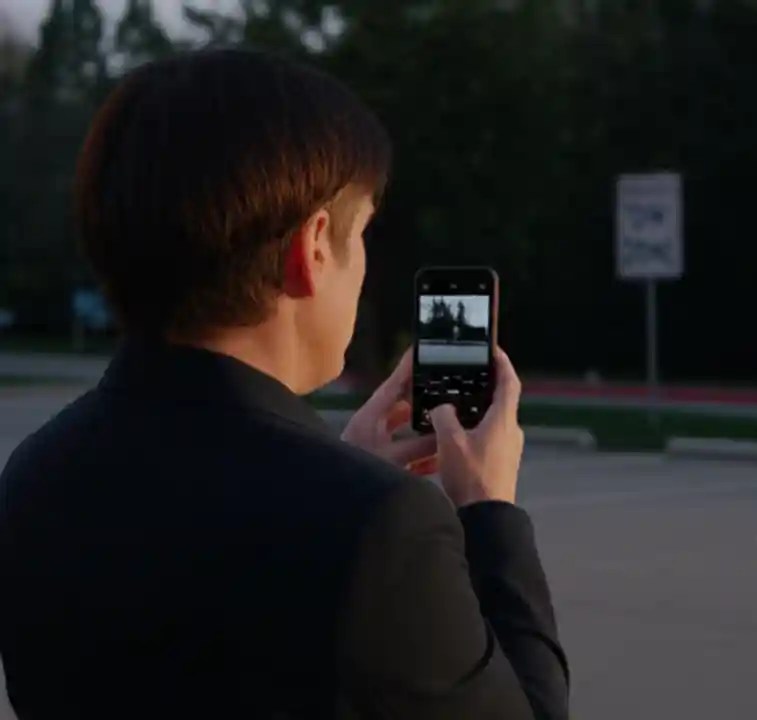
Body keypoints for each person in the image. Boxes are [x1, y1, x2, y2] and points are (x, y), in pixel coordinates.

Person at [0, 49, 569, 719]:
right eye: (362, 235)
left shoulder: (34, 476)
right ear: (314, 248)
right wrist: (488, 511)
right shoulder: (382, 529)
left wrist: (339, 471)